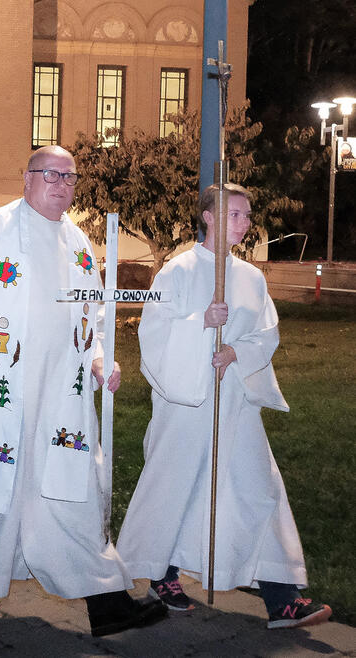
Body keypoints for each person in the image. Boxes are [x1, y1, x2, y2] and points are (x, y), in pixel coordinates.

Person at [0, 145, 167, 637]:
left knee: (73, 492)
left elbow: (91, 317)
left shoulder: (79, 242)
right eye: (52, 174)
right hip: (0, 389)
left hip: (61, 398)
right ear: (26, 178)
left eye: (70, 177)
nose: (63, 185)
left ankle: (106, 605)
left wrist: (98, 361)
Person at [117, 183, 331, 629]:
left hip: (235, 404)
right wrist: (201, 326)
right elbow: (153, 335)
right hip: (187, 407)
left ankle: (282, 598)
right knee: (179, 487)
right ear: (209, 216)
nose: (247, 222)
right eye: (237, 213)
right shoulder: (176, 272)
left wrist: (234, 352)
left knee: (258, 491)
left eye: (248, 214)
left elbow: (266, 334)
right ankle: (163, 575)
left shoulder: (251, 277)